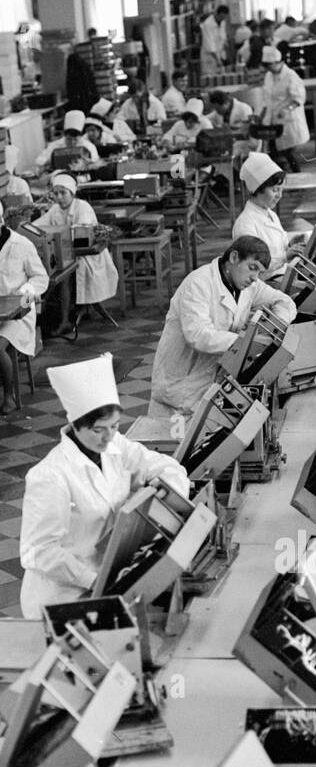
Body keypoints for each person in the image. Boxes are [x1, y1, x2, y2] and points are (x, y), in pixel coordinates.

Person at [19, 353, 190, 620]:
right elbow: (38, 551)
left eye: (114, 426)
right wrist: (94, 580)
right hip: (62, 598)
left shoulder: (115, 445)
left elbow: (166, 466)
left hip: (107, 579)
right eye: (99, 430)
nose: (108, 437)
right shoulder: (50, 476)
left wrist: (171, 498)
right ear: (76, 425)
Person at [148, 235, 296, 417]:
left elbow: (285, 302)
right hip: (179, 389)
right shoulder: (198, 284)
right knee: (170, 443)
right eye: (252, 268)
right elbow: (199, 336)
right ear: (234, 258)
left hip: (210, 385)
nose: (254, 278)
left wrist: (274, 327)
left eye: (259, 272)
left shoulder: (249, 286)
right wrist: (248, 341)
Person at [33, 172, 119, 337]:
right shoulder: (55, 210)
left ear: (72, 193)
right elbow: (39, 226)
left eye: (63, 193)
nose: (59, 197)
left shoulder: (82, 207)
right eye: (55, 193)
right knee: (52, 273)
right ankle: (46, 318)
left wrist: (59, 238)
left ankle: (65, 320)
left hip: (88, 257)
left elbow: (80, 234)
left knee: (63, 276)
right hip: (69, 255)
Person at [0, 198, 49, 415]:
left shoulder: (21, 244)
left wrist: (21, 300)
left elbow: (41, 280)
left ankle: (8, 395)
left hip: (20, 312)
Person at [233, 153, 307, 279]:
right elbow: (253, 266)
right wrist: (285, 257)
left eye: (281, 190)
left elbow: (279, 246)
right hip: (264, 286)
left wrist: (291, 244)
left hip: (282, 276)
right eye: (275, 190)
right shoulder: (245, 225)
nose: (280, 195)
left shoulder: (271, 214)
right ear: (258, 189)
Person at [261, 46, 310, 172]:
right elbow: (267, 98)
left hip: (288, 120)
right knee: (274, 152)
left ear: (279, 62)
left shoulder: (291, 76)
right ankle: (281, 179)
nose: (268, 69)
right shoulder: (268, 76)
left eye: (270, 65)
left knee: (288, 152)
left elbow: (298, 99)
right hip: (273, 121)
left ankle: (297, 178)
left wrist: (287, 109)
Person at [200, 4, 230, 75]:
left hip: (219, 54)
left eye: (224, 17)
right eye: (221, 17)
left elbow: (222, 36)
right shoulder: (207, 24)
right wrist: (217, 59)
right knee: (210, 78)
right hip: (209, 57)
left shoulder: (222, 22)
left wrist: (225, 42)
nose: (223, 19)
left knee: (220, 78)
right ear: (217, 14)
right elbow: (210, 44)